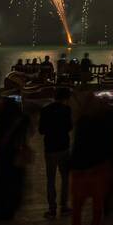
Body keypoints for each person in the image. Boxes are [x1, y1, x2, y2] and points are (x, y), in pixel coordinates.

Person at [69, 93, 113, 225]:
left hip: (80, 170)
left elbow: (77, 146)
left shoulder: (82, 121)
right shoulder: (104, 121)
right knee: (97, 207)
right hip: (98, 168)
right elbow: (109, 146)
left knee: (77, 206)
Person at [0, 98, 31, 221]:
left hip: (3, 155)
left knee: (1, 183)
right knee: (13, 182)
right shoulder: (21, 119)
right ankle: (9, 209)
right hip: (15, 153)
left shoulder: (1, 120)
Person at [39, 87, 73, 218]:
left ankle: (52, 208)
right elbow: (69, 127)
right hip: (63, 146)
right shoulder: (66, 110)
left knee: (51, 179)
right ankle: (64, 205)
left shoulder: (45, 110)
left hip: (50, 147)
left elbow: (41, 130)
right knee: (65, 178)